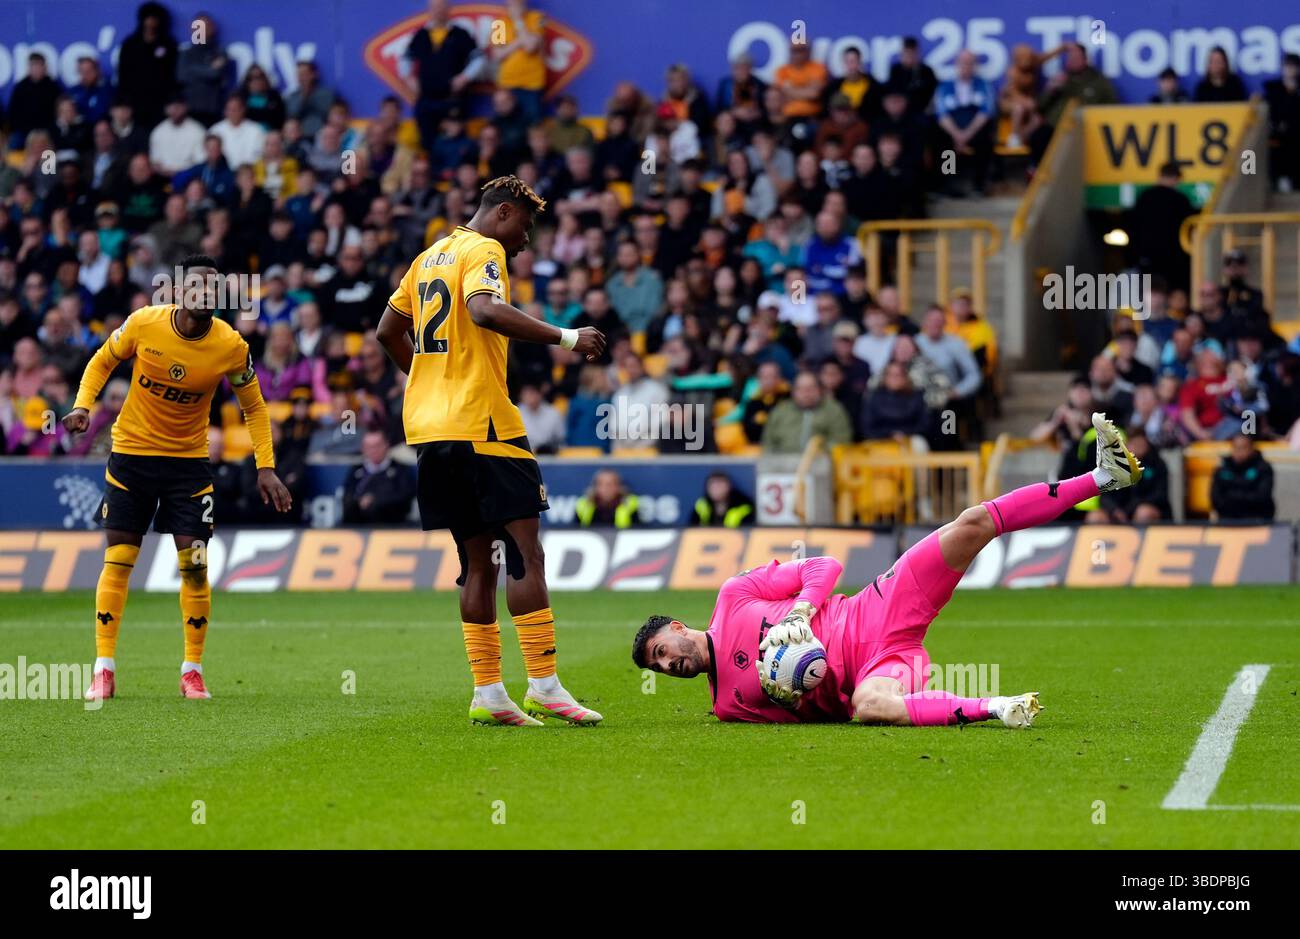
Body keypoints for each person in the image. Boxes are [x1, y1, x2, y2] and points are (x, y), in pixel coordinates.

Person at [632, 412, 1143, 725]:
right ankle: (998, 707)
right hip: (878, 669)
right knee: (872, 708)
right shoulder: (726, 706)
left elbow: (826, 564)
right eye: (658, 667)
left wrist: (799, 614)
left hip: (877, 608)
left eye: (661, 652)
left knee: (971, 524)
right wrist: (789, 687)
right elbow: (803, 707)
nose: (666, 665)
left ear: (677, 628)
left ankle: (1102, 476)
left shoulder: (734, 596)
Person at [376, 175, 606, 727]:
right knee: (526, 554)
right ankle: (545, 686)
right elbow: (483, 310)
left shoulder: (428, 256)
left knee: (475, 565)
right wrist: (567, 338)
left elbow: (388, 331)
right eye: (524, 227)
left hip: (433, 431)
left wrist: (429, 381)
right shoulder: (484, 251)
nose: (525, 241)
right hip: (485, 425)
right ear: (503, 213)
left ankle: (488, 692)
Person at [61, 254, 292, 703]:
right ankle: (104, 668)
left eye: (213, 288)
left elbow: (256, 407)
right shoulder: (144, 324)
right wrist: (83, 405)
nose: (205, 294)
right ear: (179, 292)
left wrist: (266, 466)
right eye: (197, 287)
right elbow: (102, 360)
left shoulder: (231, 346)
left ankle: (192, 670)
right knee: (120, 560)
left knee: (195, 566)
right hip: (131, 457)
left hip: (188, 465)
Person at [341, 430, 417, 524]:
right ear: (363, 448)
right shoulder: (356, 470)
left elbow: (405, 498)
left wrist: (375, 500)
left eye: (377, 445)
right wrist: (359, 502)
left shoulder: (400, 469)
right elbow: (347, 495)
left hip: (392, 526)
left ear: (386, 445)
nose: (373, 450)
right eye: (369, 446)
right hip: (358, 524)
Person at [1211, 434, 1275, 520]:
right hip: (1228, 519)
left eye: (1243, 448)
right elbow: (1216, 499)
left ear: (1252, 448)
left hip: (1256, 519)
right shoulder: (1223, 469)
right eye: (1236, 448)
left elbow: (1262, 497)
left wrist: (1232, 496)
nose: (1239, 452)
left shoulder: (1263, 468)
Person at [691, 471, 755, 527]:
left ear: (729, 486)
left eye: (719, 485)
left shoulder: (744, 507)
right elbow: (690, 530)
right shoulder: (701, 505)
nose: (716, 490)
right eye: (713, 486)